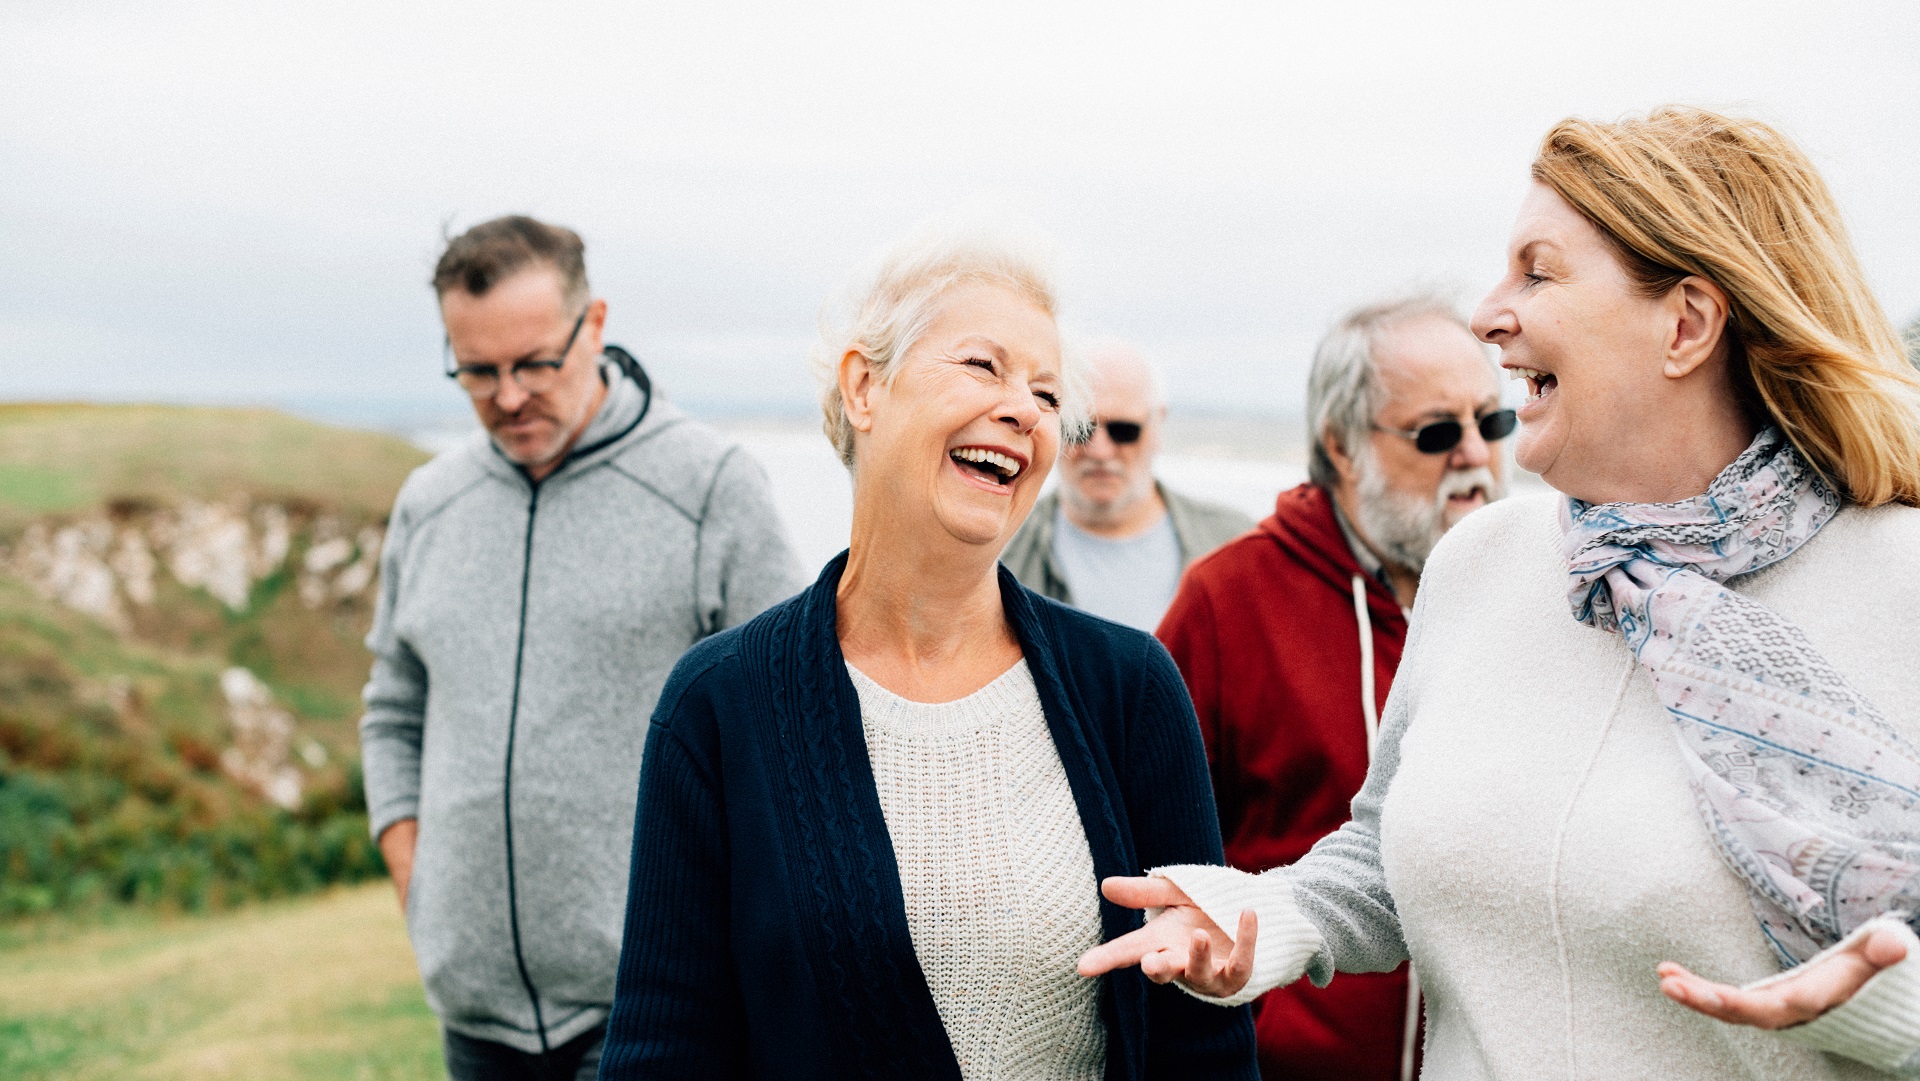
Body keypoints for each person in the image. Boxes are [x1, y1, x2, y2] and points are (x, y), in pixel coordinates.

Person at [1080, 108, 1920, 1079]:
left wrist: (1887, 1007)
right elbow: (1388, 854)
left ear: (1686, 323)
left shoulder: (1899, 583)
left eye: (1538, 270)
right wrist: (1266, 916)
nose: (1488, 314)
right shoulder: (1482, 561)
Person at [597, 227, 1258, 1079]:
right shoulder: (721, 704)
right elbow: (663, 1050)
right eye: (984, 366)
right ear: (863, 386)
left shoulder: (1129, 689)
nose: (1024, 408)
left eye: (1048, 394)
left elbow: (1205, 1050)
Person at [358, 215, 804, 1081]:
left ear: (594, 325)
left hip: (654, 1008)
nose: (509, 396)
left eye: (534, 363)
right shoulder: (428, 502)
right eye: (477, 371)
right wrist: (421, 884)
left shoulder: (713, 486)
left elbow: (787, 728)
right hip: (473, 1013)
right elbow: (393, 710)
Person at [1155, 296, 1507, 1080]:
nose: (1477, 454)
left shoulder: (1533, 596)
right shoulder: (1226, 602)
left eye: (1494, 421)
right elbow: (1155, 855)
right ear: (1342, 448)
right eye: (1438, 433)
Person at [1001, 341, 1252, 631]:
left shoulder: (1234, 544)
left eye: (1124, 431)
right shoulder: (1000, 550)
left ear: (1157, 424)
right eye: (1080, 429)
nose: (1100, 451)